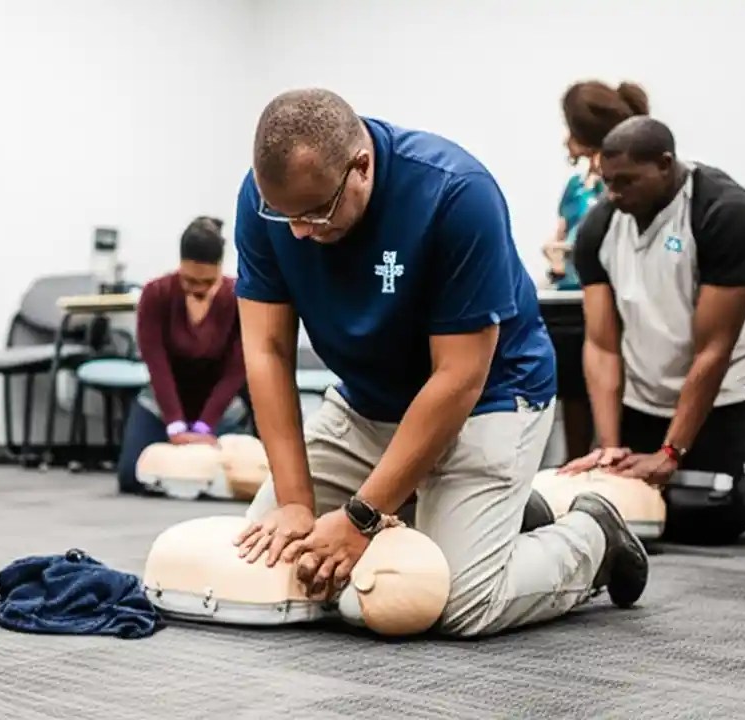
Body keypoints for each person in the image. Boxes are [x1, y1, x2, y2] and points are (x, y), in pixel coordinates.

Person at [230, 88, 649, 638]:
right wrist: (293, 503)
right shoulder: (273, 200)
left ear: (361, 167)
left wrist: (360, 517)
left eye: (316, 212)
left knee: (454, 604)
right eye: (285, 217)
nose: (301, 231)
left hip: (492, 399)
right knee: (274, 558)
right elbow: (268, 351)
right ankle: (503, 517)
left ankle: (592, 537)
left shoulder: (455, 194)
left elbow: (458, 378)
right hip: (369, 404)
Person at [563, 117, 745, 545]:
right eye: (607, 182)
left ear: (665, 164)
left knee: (709, 511)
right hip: (644, 391)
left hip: (720, 390)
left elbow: (715, 348)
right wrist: (609, 445)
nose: (614, 195)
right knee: (630, 505)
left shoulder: (725, 213)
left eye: (627, 182)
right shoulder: (600, 226)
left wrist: (672, 451)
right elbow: (601, 345)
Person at [544, 80, 650, 466]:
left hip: (622, 298)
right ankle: (585, 459)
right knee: (573, 374)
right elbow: (561, 234)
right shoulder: (576, 187)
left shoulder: (623, 188)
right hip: (575, 295)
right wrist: (556, 256)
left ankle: (615, 452)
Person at [115, 216, 248, 493]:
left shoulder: (239, 298)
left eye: (206, 282)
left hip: (219, 407)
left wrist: (204, 427)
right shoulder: (156, 294)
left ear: (220, 271)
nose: (197, 289)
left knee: (236, 478)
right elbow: (157, 363)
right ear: (179, 265)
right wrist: (175, 424)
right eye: (189, 280)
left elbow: (236, 370)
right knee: (131, 476)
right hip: (162, 403)